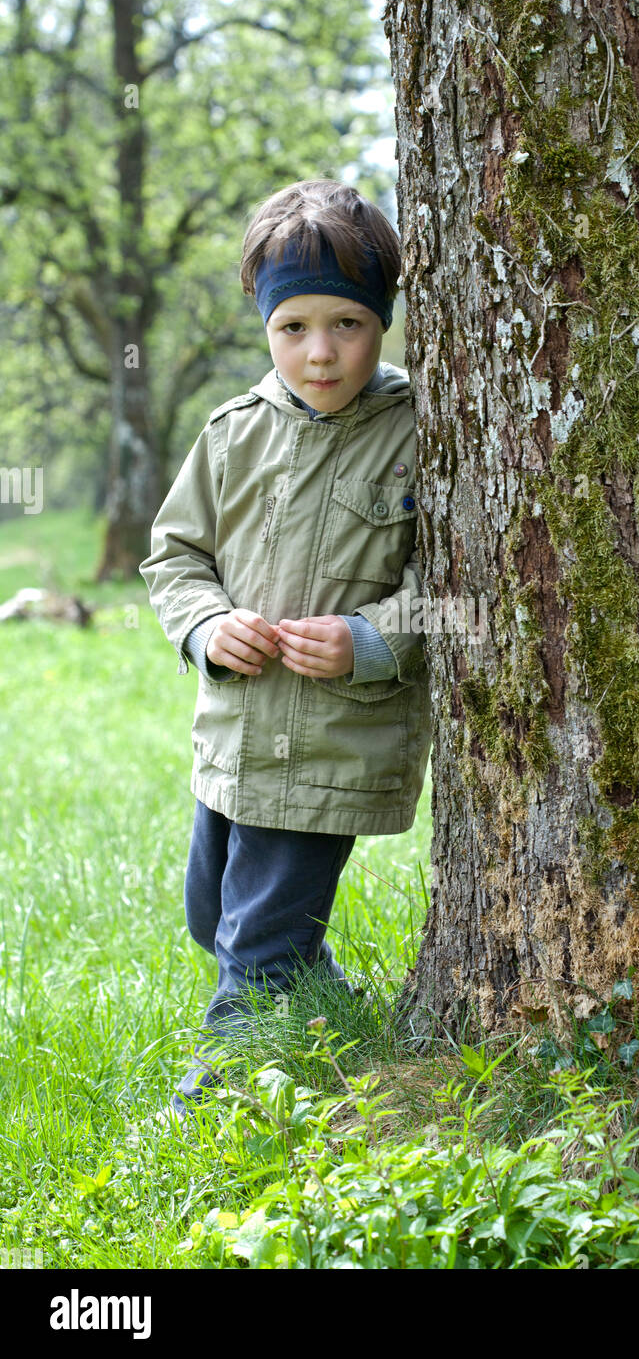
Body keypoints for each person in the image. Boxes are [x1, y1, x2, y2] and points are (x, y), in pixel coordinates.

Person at [139, 178, 432, 1118]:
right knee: (212, 918)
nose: (319, 352)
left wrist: (373, 639)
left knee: (255, 947)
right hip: (231, 735)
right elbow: (174, 556)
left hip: (330, 747)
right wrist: (203, 625)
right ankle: (336, 1014)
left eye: (346, 324)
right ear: (265, 327)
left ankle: (206, 1116)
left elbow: (474, 592)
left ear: (381, 319)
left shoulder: (418, 431)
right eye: (292, 326)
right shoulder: (233, 434)